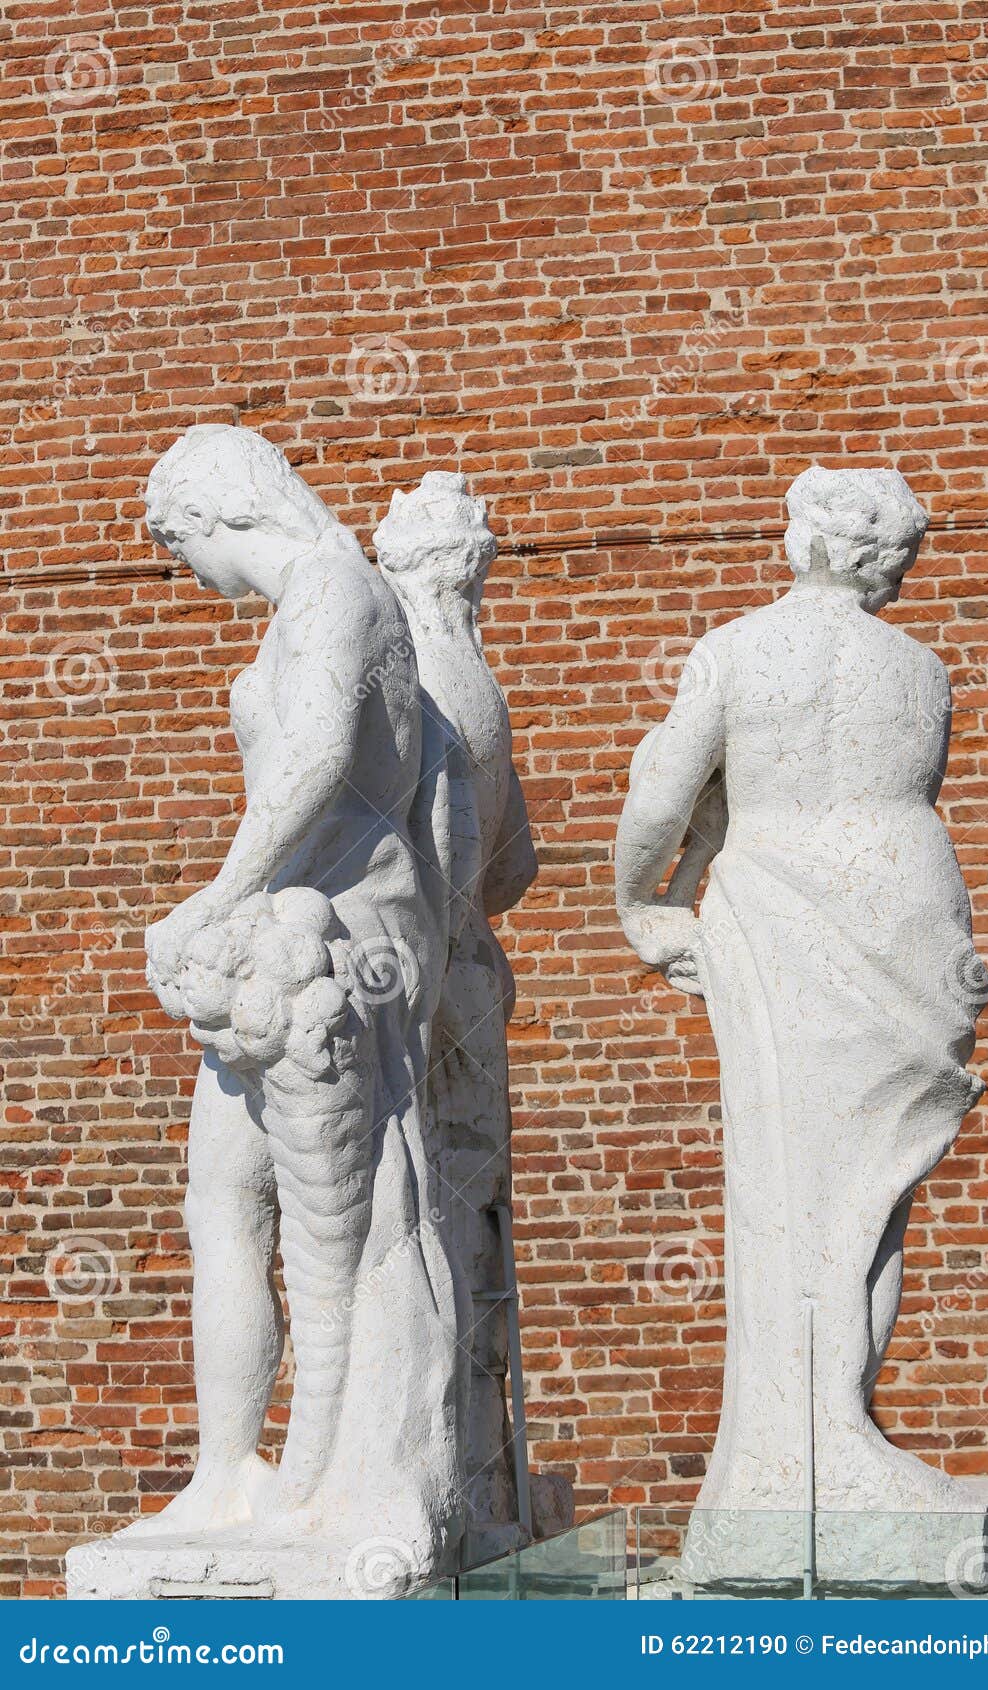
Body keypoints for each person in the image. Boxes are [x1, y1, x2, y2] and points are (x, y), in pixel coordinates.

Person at [128, 426, 466, 1581]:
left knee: (325, 1217)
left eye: (179, 546)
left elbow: (319, 753)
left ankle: (333, 1468)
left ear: (215, 514)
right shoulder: (334, 598)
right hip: (297, 931)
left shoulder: (332, 586)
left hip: (327, 934)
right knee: (224, 1196)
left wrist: (216, 895)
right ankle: (231, 1470)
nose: (188, 573)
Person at [616, 465, 986, 1516]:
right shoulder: (920, 668)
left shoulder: (736, 649)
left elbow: (663, 794)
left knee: (786, 1180)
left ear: (801, 539)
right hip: (906, 906)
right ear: (884, 557)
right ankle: (833, 1434)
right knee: (874, 1182)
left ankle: (807, 1450)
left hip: (780, 902)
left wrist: (637, 901)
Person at [375, 472, 539, 1556]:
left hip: (411, 977)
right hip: (472, 967)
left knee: (402, 1224)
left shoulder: (404, 676)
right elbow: (514, 862)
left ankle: (421, 1476)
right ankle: (478, 1488)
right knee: (468, 1224)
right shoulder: (480, 683)